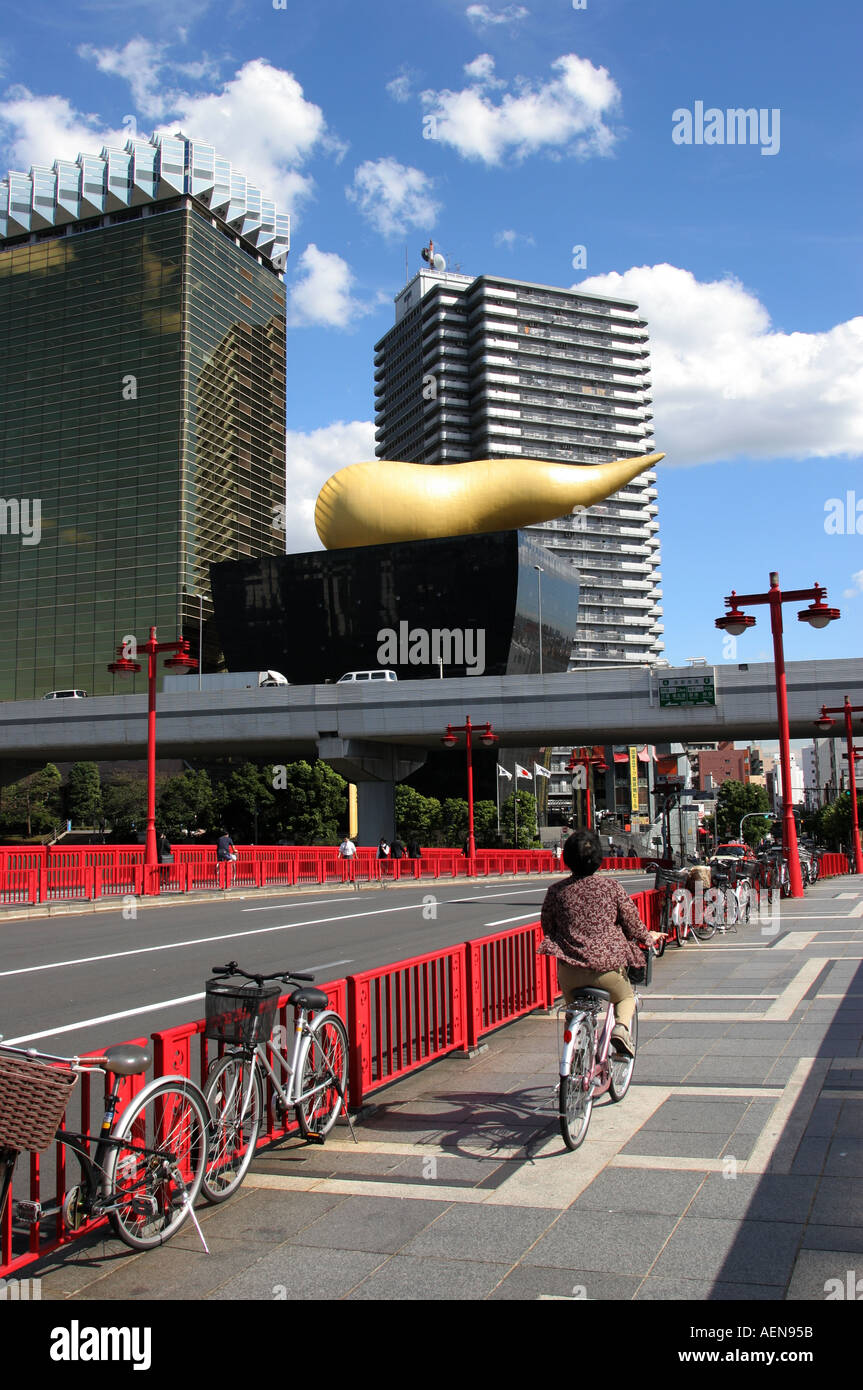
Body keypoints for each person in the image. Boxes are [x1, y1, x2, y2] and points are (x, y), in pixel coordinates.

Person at [538, 828, 665, 1057]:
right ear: (599, 858)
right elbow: (633, 924)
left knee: (572, 1010)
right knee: (626, 997)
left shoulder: (556, 891)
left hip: (570, 971)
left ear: (567, 859)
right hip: (607, 970)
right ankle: (621, 1030)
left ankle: (576, 1051)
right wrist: (649, 937)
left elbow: (548, 926)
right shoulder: (611, 887)